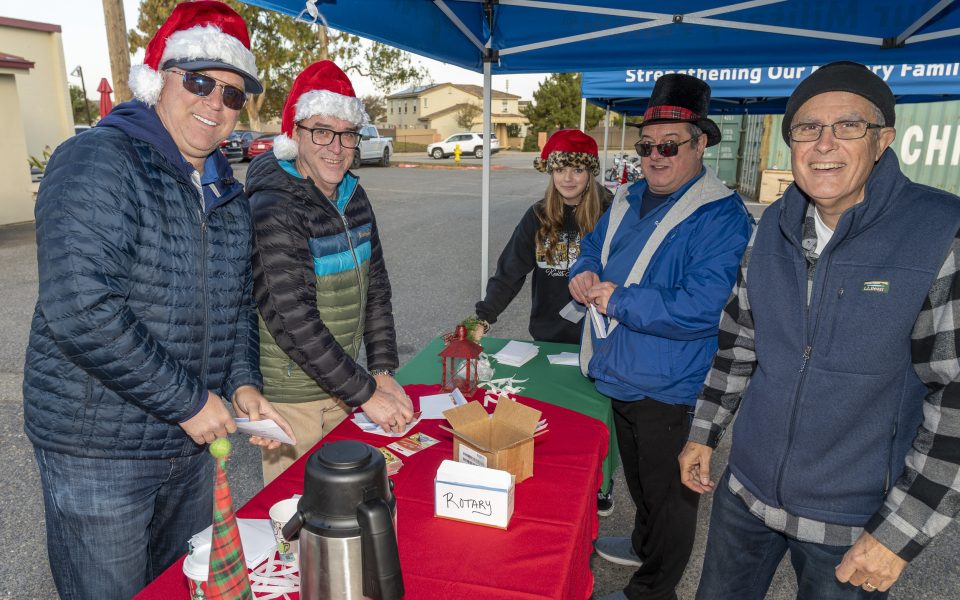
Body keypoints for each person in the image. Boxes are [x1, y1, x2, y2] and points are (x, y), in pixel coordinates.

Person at [22, 2, 295, 598]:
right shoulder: (98, 159)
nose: (214, 104)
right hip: (100, 452)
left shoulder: (225, 184)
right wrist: (191, 400)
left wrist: (243, 381)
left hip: (188, 445)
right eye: (199, 80)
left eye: (231, 93)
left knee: (179, 588)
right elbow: (82, 309)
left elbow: (237, 303)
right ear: (160, 79)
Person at [679, 61, 960, 599]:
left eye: (848, 126)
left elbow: (955, 399)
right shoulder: (769, 228)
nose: (824, 144)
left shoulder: (939, 233)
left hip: (855, 521)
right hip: (747, 495)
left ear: (882, 141)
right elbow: (738, 345)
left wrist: (899, 534)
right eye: (808, 128)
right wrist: (703, 431)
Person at [569, 73, 753, 600]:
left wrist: (616, 298)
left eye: (670, 146)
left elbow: (704, 308)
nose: (655, 156)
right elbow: (591, 245)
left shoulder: (721, 214)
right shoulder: (628, 195)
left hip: (669, 385)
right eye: (646, 145)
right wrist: (583, 272)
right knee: (643, 483)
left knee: (673, 497)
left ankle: (653, 590)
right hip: (619, 368)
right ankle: (644, 545)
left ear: (700, 145)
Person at [247, 60, 414, 484]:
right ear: (295, 134)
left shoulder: (355, 197)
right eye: (322, 131)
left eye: (347, 134)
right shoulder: (274, 206)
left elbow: (377, 290)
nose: (336, 147)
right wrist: (366, 393)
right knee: (296, 523)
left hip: (341, 388)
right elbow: (293, 318)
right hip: (293, 400)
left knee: (342, 512)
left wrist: (381, 371)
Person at [474, 128, 612, 345]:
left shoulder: (610, 214)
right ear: (551, 172)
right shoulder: (537, 215)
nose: (567, 178)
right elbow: (509, 272)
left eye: (577, 169)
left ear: (590, 172)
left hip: (599, 337)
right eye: (559, 169)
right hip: (547, 336)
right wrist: (482, 318)